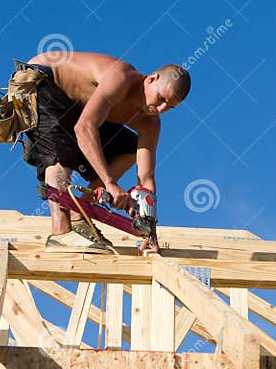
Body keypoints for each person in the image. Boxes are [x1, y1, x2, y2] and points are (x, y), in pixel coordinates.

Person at [17, 51, 190, 253]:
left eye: (169, 106)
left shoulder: (150, 123)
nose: (160, 109)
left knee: (129, 149)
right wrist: (110, 183)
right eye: (161, 98)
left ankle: (78, 212)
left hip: (79, 108)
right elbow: (84, 128)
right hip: (44, 80)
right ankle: (61, 233)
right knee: (59, 155)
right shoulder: (120, 78)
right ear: (152, 79)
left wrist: (149, 233)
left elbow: (146, 180)